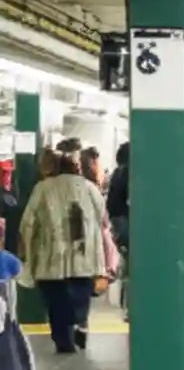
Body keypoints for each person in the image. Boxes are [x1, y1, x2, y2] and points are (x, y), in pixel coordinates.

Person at [19, 141, 115, 353]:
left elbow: (29, 222)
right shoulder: (89, 187)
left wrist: (26, 248)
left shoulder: (42, 189)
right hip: (84, 254)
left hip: (50, 256)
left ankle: (63, 338)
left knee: (55, 299)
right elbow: (102, 218)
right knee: (81, 292)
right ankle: (78, 321)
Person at [106, 143, 130, 321]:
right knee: (134, 265)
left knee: (129, 263)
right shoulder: (128, 173)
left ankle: (128, 304)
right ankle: (130, 305)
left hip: (118, 223)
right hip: (126, 223)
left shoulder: (117, 173)